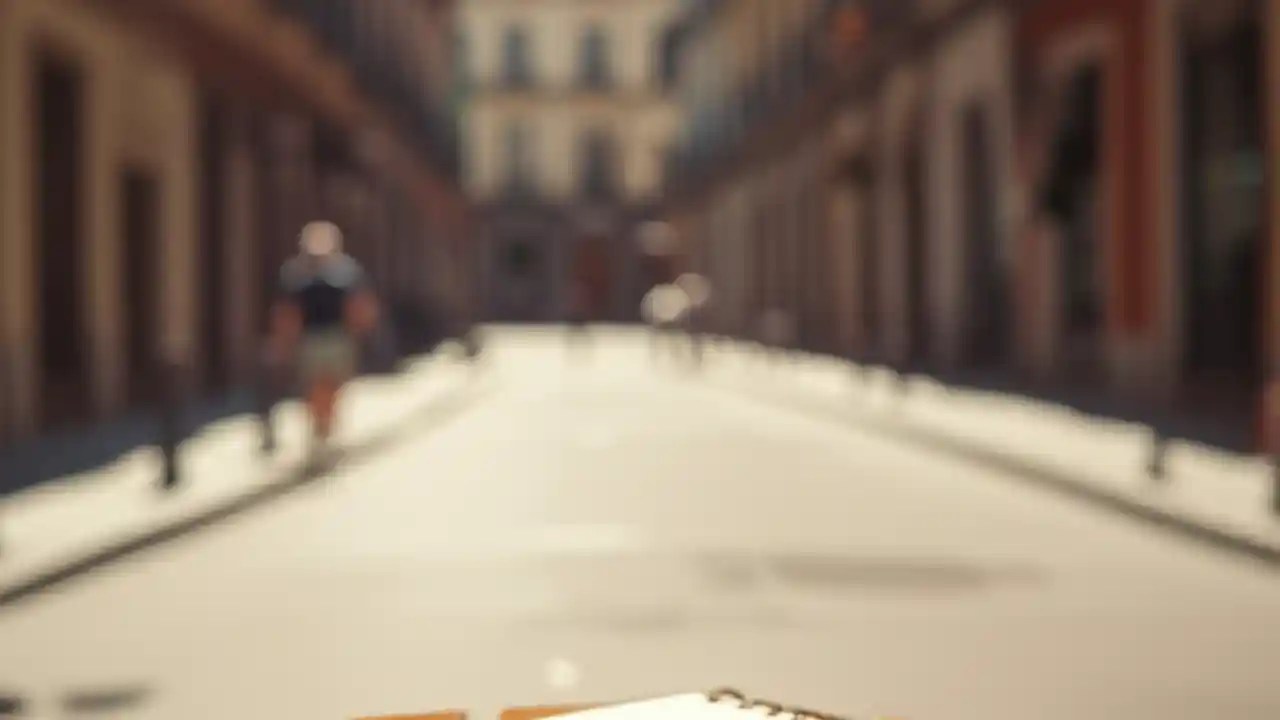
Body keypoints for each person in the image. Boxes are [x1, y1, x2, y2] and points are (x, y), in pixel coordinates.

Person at [270, 221, 378, 465]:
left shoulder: (345, 273)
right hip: (311, 341)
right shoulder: (296, 276)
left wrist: (361, 330)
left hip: (337, 338)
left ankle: (326, 426)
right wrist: (284, 341)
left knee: (332, 386)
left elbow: (358, 305)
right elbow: (288, 312)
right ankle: (320, 427)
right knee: (314, 386)